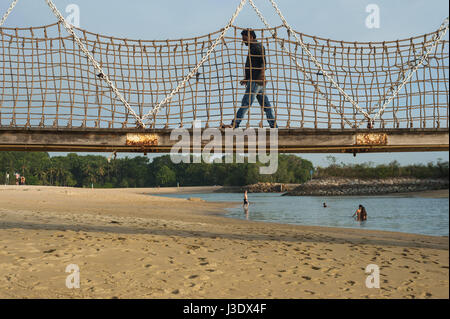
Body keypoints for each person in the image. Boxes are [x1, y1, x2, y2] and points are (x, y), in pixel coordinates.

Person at [222, 29, 277, 129]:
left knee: (246, 103)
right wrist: (246, 78)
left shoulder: (257, 47)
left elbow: (263, 62)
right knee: (266, 106)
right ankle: (274, 126)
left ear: (251, 37)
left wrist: (261, 75)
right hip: (257, 81)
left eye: (245, 38)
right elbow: (253, 65)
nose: (244, 41)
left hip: (256, 82)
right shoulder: (253, 47)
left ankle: (234, 124)